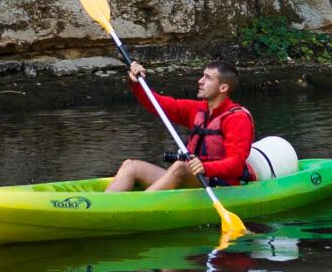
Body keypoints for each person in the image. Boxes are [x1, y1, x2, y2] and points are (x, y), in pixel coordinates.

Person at [105, 59, 254, 193]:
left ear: (223, 88)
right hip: (193, 177)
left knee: (180, 167)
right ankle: (104, 205)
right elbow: (158, 104)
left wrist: (205, 168)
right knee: (130, 166)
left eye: (207, 78)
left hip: (219, 184)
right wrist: (137, 84)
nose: (200, 81)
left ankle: (138, 207)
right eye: (202, 75)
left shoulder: (237, 118)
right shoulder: (197, 109)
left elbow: (236, 164)